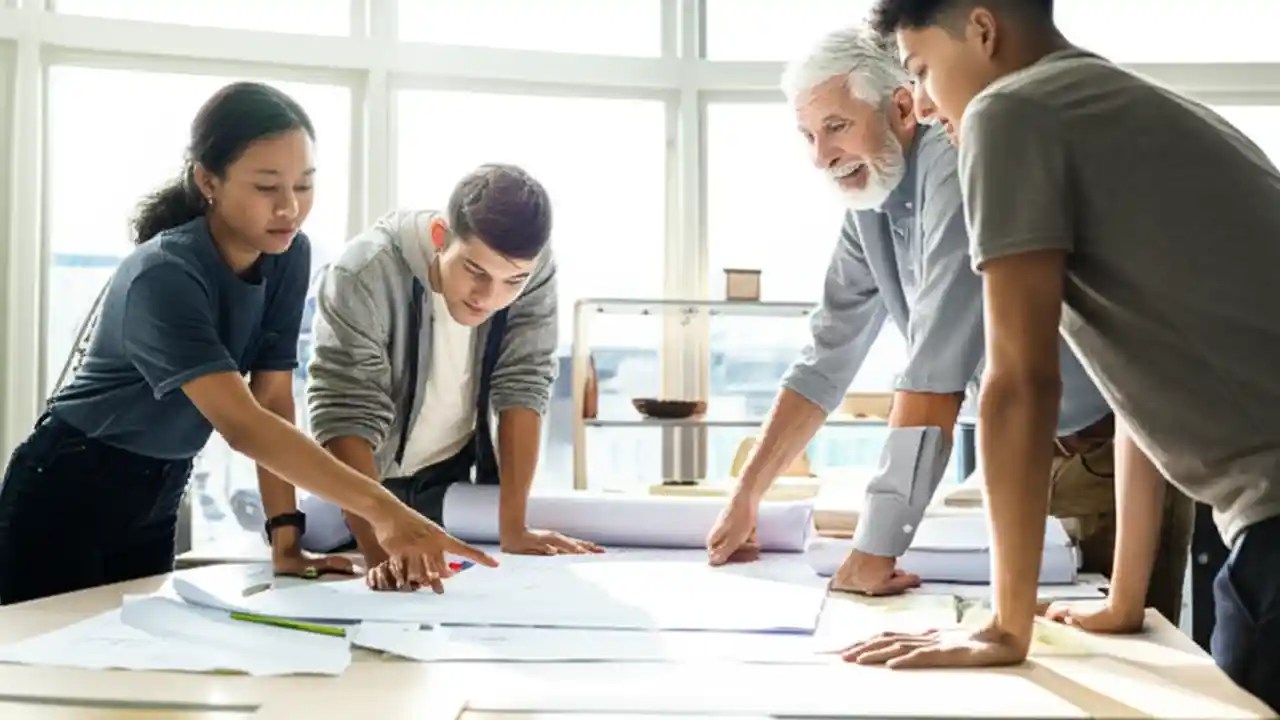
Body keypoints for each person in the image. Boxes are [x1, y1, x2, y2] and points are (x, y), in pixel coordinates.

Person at [845, 0, 1280, 710]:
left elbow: (1020, 382)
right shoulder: (1146, 113)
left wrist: (1003, 627)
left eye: (921, 70)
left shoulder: (1009, 112)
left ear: (982, 30)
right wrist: (1125, 600)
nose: (919, 104)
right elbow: (1141, 383)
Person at [704, 24, 1192, 622]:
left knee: (1111, 657)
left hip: (1107, 456)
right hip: (1022, 456)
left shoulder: (957, 162)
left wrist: (874, 551)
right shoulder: (871, 198)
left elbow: (935, 372)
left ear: (902, 107)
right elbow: (824, 358)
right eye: (808, 135)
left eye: (836, 127)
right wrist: (747, 494)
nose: (820, 156)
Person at [0, 82, 496, 606]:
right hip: (68, 486)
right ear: (207, 181)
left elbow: (274, 402)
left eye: (304, 185)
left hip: (162, 488)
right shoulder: (165, 274)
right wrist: (386, 510)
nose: (290, 208)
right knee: (45, 649)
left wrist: (287, 540)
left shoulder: (287, 256)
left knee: (136, 648)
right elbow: (243, 426)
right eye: (267, 187)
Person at [303, 164, 599, 590]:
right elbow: (346, 412)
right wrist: (378, 554)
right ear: (441, 236)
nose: (489, 297)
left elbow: (523, 381)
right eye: (476, 272)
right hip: (360, 480)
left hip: (446, 478)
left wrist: (514, 529)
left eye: (512, 282)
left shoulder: (532, 268)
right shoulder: (363, 272)